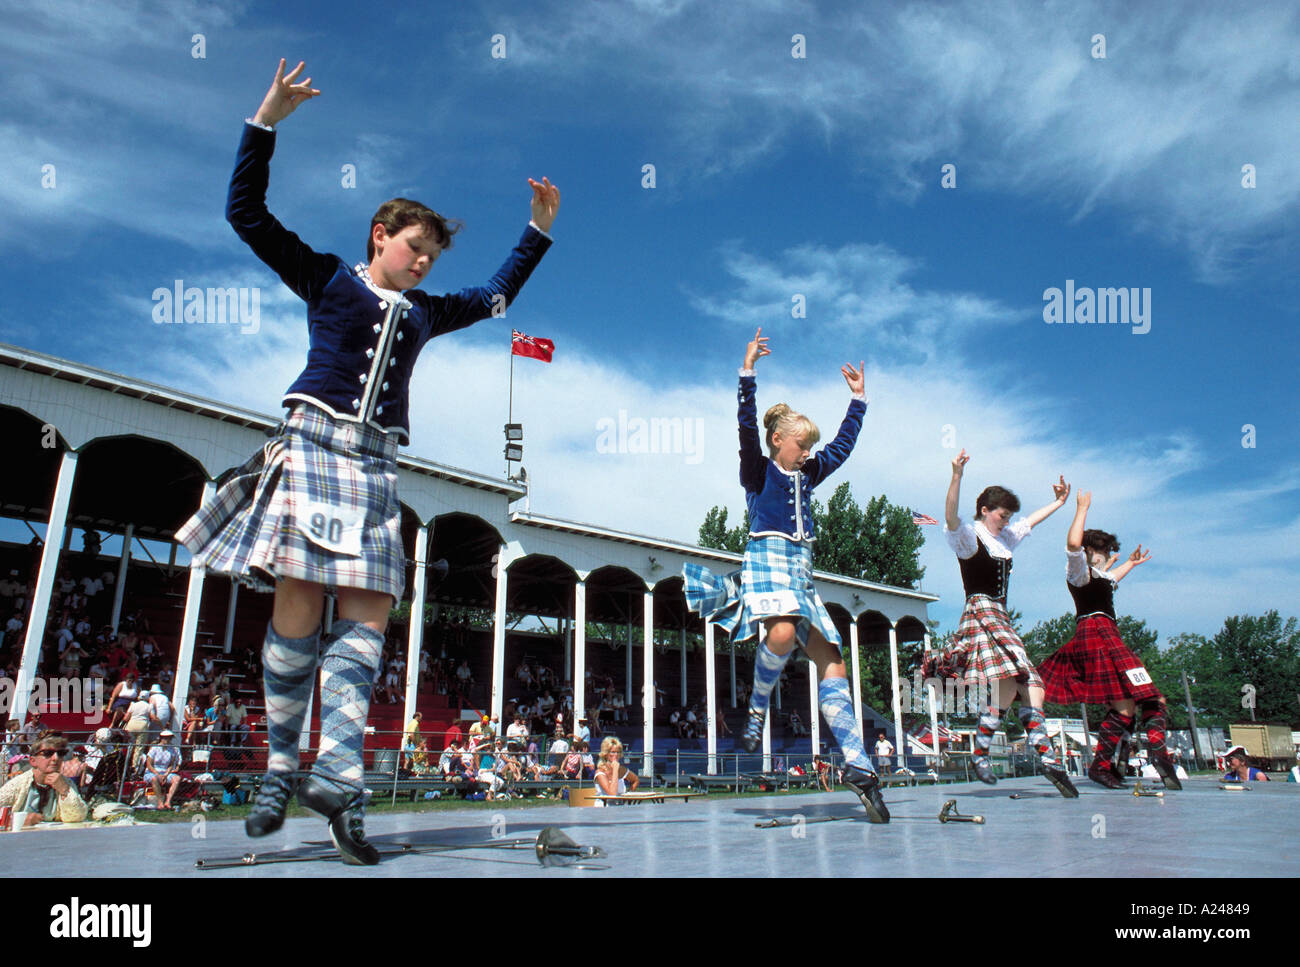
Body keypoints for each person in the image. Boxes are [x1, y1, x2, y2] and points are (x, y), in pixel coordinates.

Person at [172, 58, 557, 864]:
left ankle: (338, 779)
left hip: (378, 468)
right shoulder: (325, 279)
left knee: (370, 618)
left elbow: (496, 299)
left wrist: (538, 232)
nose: (424, 264)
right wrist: (264, 120)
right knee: (301, 611)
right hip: (314, 444)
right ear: (381, 236)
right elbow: (245, 213)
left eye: (432, 257)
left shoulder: (425, 310)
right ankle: (283, 764)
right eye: (415, 248)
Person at [682, 329, 888, 822]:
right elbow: (743, 424)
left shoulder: (808, 474)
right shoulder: (757, 470)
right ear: (779, 441)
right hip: (768, 559)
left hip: (803, 569)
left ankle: (859, 766)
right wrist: (747, 371)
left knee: (833, 661)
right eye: (801, 444)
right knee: (780, 629)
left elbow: (842, 447)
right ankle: (755, 709)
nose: (807, 452)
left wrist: (858, 400)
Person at [929, 449, 1076, 797]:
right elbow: (950, 516)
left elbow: (1030, 523)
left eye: (1009, 516)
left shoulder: (1004, 538)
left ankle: (981, 752)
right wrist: (956, 475)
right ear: (985, 511)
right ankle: (1047, 756)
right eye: (1003, 515)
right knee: (1030, 680)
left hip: (1000, 614)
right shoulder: (969, 537)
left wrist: (1059, 503)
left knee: (1009, 689)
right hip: (982, 611)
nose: (1008, 521)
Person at [1037, 491, 1180, 791]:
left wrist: (1129, 563)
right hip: (1096, 635)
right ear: (1090, 552)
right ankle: (1134, 756)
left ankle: (1123, 760)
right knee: (1140, 702)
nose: (1104, 557)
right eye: (1100, 552)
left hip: (1109, 637)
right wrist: (1081, 508)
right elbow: (1073, 545)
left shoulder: (1101, 576)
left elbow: (1113, 577)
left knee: (1140, 704)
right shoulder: (1078, 573)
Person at [0, 732, 88, 827]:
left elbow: (78, 817)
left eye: (60, 753)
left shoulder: (66, 783)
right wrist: (16, 821)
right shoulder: (18, 784)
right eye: (48, 753)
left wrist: (64, 791)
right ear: (33, 761)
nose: (56, 758)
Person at [144, 731, 184, 810]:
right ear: (161, 738)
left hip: (165, 772)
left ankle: (168, 801)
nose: (167, 740)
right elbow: (149, 765)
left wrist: (166, 774)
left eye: (169, 738)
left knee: (177, 778)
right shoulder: (154, 748)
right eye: (165, 738)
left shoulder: (172, 749)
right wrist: (158, 774)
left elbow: (171, 765)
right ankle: (160, 802)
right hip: (152, 772)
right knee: (154, 779)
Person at [593, 736, 639, 802]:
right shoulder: (600, 773)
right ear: (606, 754)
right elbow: (612, 795)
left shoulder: (622, 770)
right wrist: (615, 770)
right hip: (603, 809)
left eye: (618, 752)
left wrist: (629, 796)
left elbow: (635, 780)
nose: (616, 755)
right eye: (613, 752)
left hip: (620, 808)